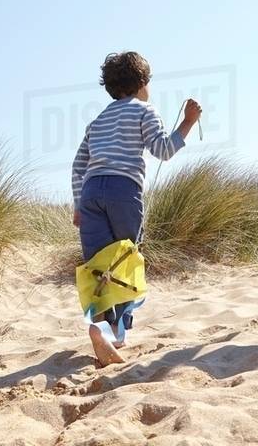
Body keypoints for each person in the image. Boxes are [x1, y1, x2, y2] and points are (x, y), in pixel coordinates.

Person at [72, 51, 201, 365]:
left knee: (98, 266)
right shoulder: (145, 110)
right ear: (142, 83)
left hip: (91, 192)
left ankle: (100, 328)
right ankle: (118, 332)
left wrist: (78, 203)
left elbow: (78, 166)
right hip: (123, 189)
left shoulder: (97, 120)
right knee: (127, 259)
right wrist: (187, 123)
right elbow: (163, 150)